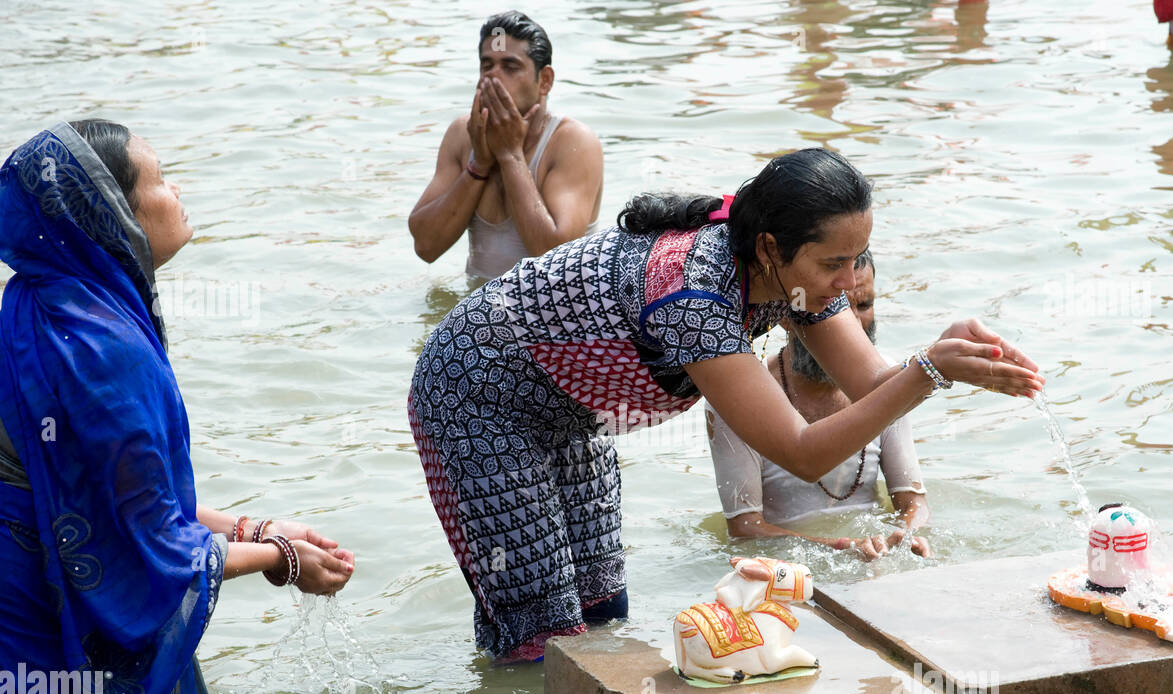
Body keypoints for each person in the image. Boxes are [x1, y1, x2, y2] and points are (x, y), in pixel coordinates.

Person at [408, 147, 1042, 665]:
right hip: (476, 393)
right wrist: (929, 373)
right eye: (834, 264)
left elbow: (874, 383)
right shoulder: (694, 292)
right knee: (541, 636)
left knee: (603, 610)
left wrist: (948, 353)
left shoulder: (802, 279)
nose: (849, 284)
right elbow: (799, 449)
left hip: (575, 412)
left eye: (855, 262)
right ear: (770, 248)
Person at [0, 120, 355, 694]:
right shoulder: (107, 350)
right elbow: (153, 545)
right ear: (113, 214)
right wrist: (283, 557)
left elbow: (112, 499)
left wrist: (250, 530)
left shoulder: (35, 306)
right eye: (159, 180)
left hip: (24, 602)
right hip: (48, 617)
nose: (176, 191)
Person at [706, 248, 934, 560]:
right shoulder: (738, 397)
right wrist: (841, 548)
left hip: (870, 553)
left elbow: (914, 502)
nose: (851, 324)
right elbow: (746, 529)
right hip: (786, 566)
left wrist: (907, 536)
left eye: (863, 305)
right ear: (786, 314)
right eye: (832, 306)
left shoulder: (890, 383)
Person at [408, 10, 604, 279]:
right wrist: (480, 164)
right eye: (487, 66)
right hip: (479, 312)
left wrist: (510, 154)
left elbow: (558, 262)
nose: (493, 78)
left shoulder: (573, 142)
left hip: (551, 316)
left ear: (544, 80)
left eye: (510, 67)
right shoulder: (463, 135)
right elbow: (425, 246)